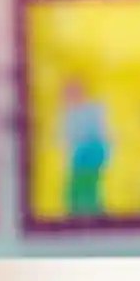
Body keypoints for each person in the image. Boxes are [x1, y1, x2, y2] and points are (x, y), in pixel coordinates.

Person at [62, 81, 110, 215]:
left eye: (73, 93)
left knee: (88, 183)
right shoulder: (70, 112)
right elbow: (68, 137)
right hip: (83, 153)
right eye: (69, 94)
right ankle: (82, 210)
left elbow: (99, 133)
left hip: (91, 151)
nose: (70, 97)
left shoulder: (91, 109)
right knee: (80, 184)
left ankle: (89, 211)